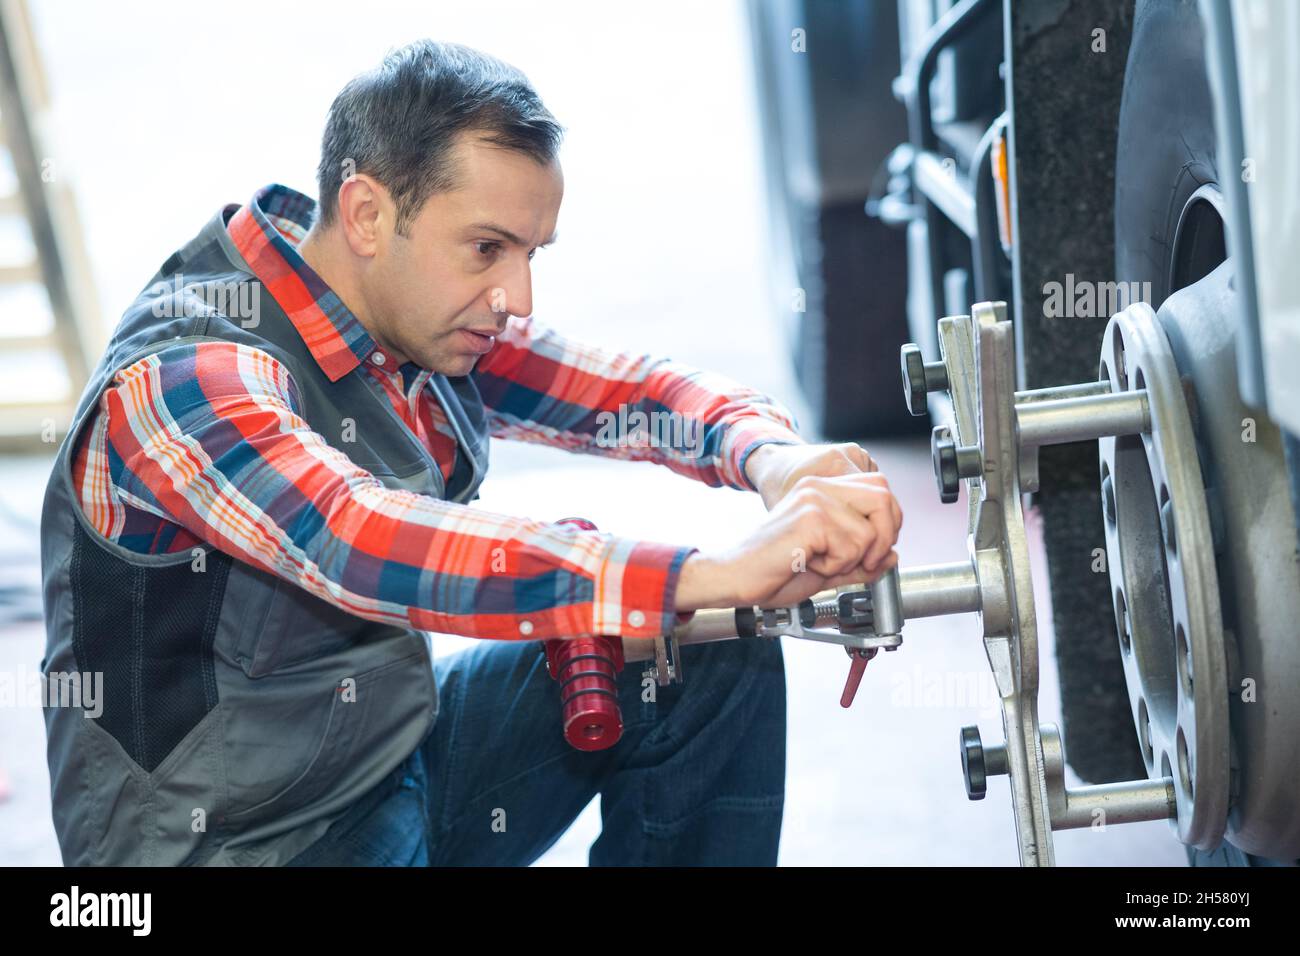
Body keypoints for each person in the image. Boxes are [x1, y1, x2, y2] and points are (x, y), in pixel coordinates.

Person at [38, 39, 901, 866]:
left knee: (709, 653)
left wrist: (777, 460)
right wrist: (708, 572)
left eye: (529, 254)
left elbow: (633, 393)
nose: (515, 298)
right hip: (232, 847)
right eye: (489, 248)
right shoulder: (183, 379)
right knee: (692, 605)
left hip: (389, 766)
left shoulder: (404, 302)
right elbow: (356, 537)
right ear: (369, 213)